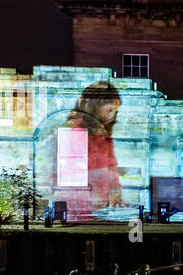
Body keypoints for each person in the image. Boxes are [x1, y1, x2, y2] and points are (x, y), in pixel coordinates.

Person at [39, 81, 126, 219]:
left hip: (98, 208)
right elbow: (70, 176)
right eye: (109, 110)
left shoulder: (103, 133)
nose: (112, 116)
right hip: (77, 209)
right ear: (94, 107)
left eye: (115, 111)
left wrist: (115, 189)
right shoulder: (73, 131)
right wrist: (93, 195)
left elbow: (111, 165)